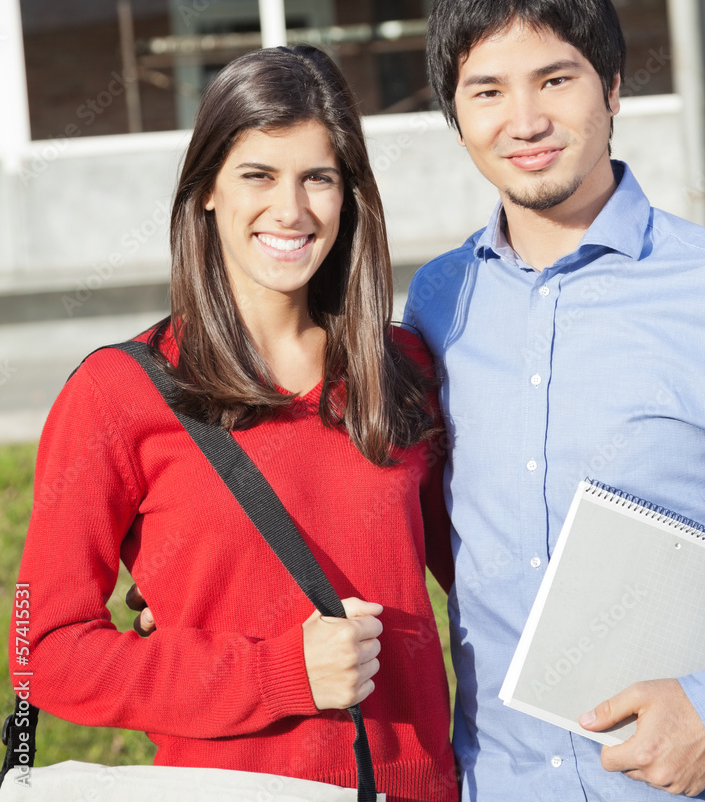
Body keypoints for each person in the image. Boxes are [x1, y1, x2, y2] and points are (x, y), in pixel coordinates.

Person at [403, 0, 705, 800]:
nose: (524, 120)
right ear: (456, 116)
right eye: (487, 91)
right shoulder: (438, 304)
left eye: (555, 80)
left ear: (613, 88)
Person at [12, 46, 457, 802]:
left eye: (317, 177)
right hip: (227, 788)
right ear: (209, 189)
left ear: (349, 195)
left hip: (418, 788)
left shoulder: (404, 367)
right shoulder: (119, 392)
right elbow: (41, 652)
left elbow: (484, 576)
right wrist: (275, 673)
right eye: (258, 174)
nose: (290, 209)